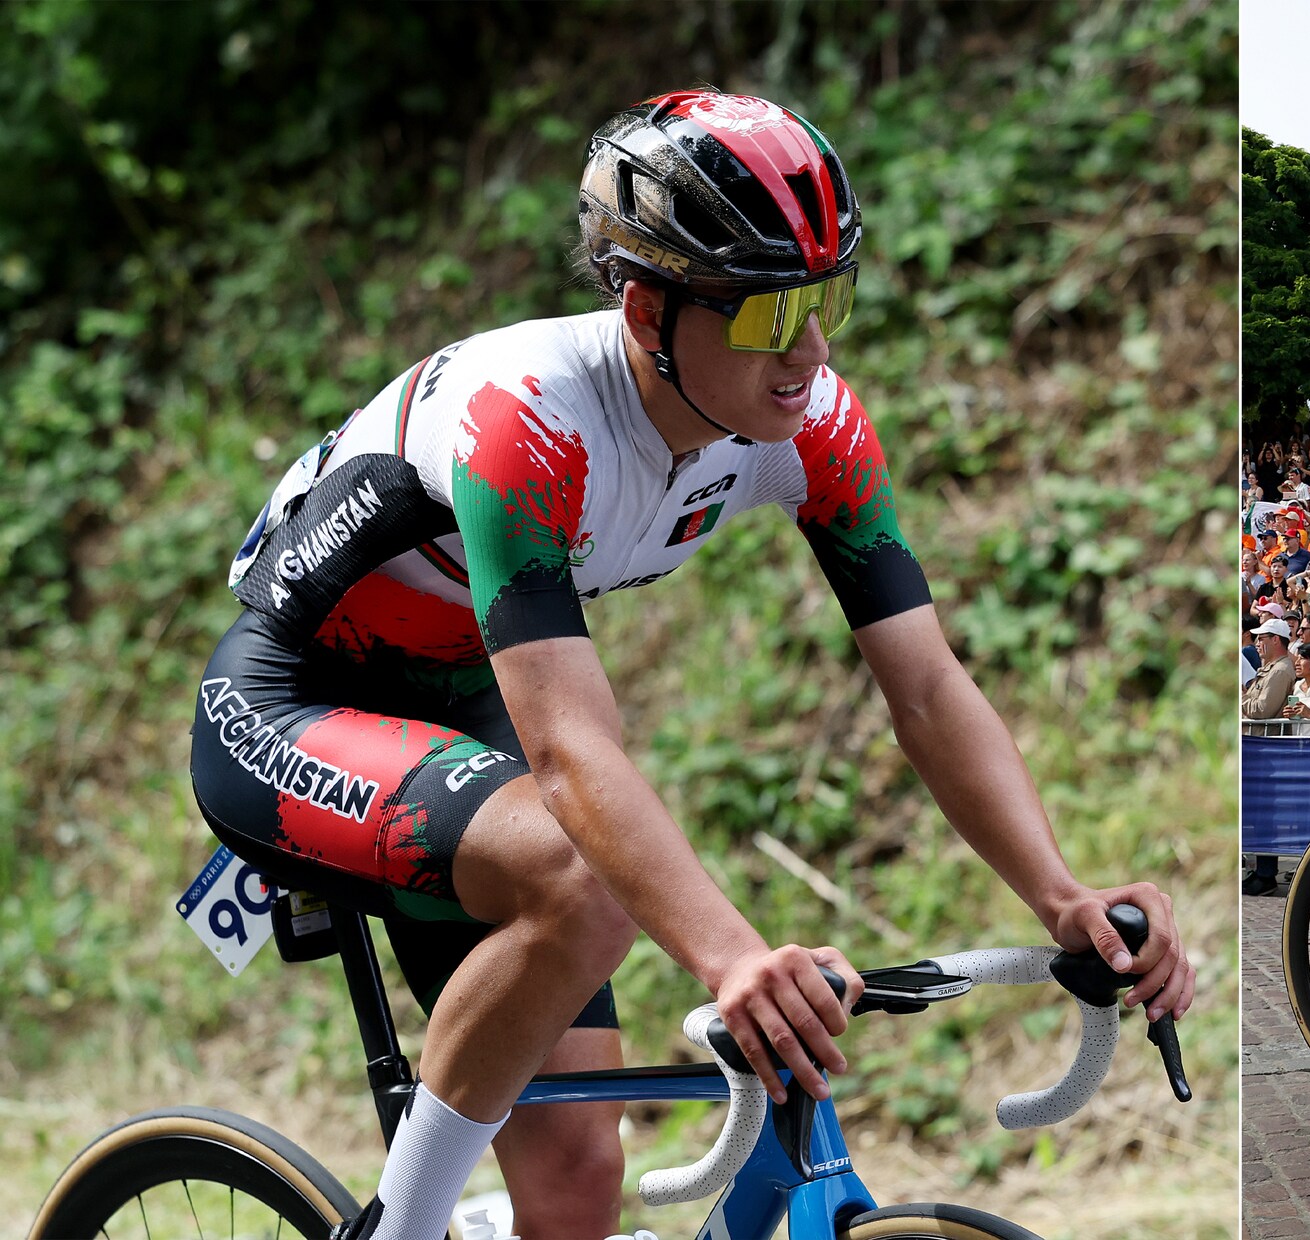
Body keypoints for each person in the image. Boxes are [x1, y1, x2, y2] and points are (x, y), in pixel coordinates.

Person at [195, 92, 1191, 1240]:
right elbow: (572, 747)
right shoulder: (526, 417)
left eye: (828, 302)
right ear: (645, 306)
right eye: (773, 316)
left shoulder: (811, 425)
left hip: (457, 714)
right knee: (580, 878)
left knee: (574, 1189)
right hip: (289, 703)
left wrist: (1060, 895)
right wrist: (732, 960)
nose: (813, 352)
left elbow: (924, 687)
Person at [1243, 618, 1298, 720]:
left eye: (1261, 639)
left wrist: (1241, 696)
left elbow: (1261, 711)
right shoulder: (1273, 668)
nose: (1257, 644)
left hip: (1260, 734)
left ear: (1275, 639)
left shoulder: (1280, 671)